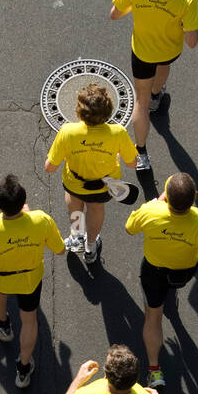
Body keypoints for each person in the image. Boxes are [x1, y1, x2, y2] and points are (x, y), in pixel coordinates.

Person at [125, 171, 198, 390]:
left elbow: (129, 229)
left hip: (153, 271)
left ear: (166, 196)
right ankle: (172, 294)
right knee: (171, 287)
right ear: (195, 196)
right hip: (184, 273)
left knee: (153, 316)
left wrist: (155, 203)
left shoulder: (151, 211)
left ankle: (154, 371)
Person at [111, 0, 198, 171]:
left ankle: (141, 152)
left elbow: (114, 13)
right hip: (169, 50)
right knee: (163, 67)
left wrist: (137, 6)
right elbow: (192, 41)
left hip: (141, 52)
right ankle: (156, 95)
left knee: (138, 103)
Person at [0, 175, 65, 388]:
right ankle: (23, 369)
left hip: (0, 279)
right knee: (29, 321)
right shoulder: (41, 220)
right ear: (23, 202)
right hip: (29, 280)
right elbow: (60, 250)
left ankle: (3, 325)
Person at [45, 83, 138, 266]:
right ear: (108, 110)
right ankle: (90, 246)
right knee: (96, 209)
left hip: (74, 183)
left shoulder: (68, 132)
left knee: (74, 202)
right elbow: (132, 163)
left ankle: (77, 236)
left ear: (80, 111)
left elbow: (50, 167)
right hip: (104, 186)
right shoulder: (118, 133)